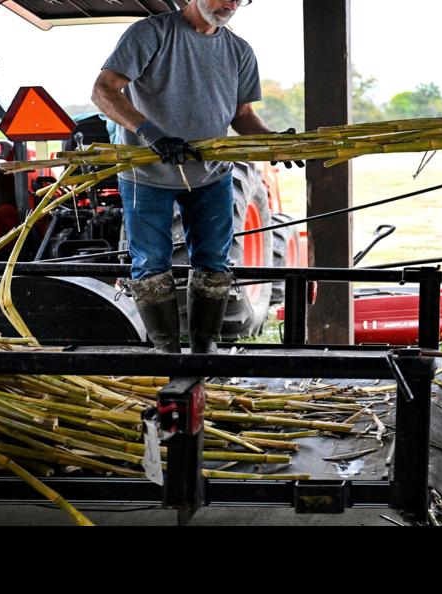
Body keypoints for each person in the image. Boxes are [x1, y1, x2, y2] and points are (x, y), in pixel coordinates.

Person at [91, 0, 292, 353]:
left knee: (214, 262)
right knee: (151, 263)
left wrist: (275, 144)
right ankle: (166, 350)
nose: (230, 3)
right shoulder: (151, 33)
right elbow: (103, 90)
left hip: (211, 176)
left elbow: (242, 115)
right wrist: (151, 133)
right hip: (147, 174)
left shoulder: (238, 50)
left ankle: (205, 347)